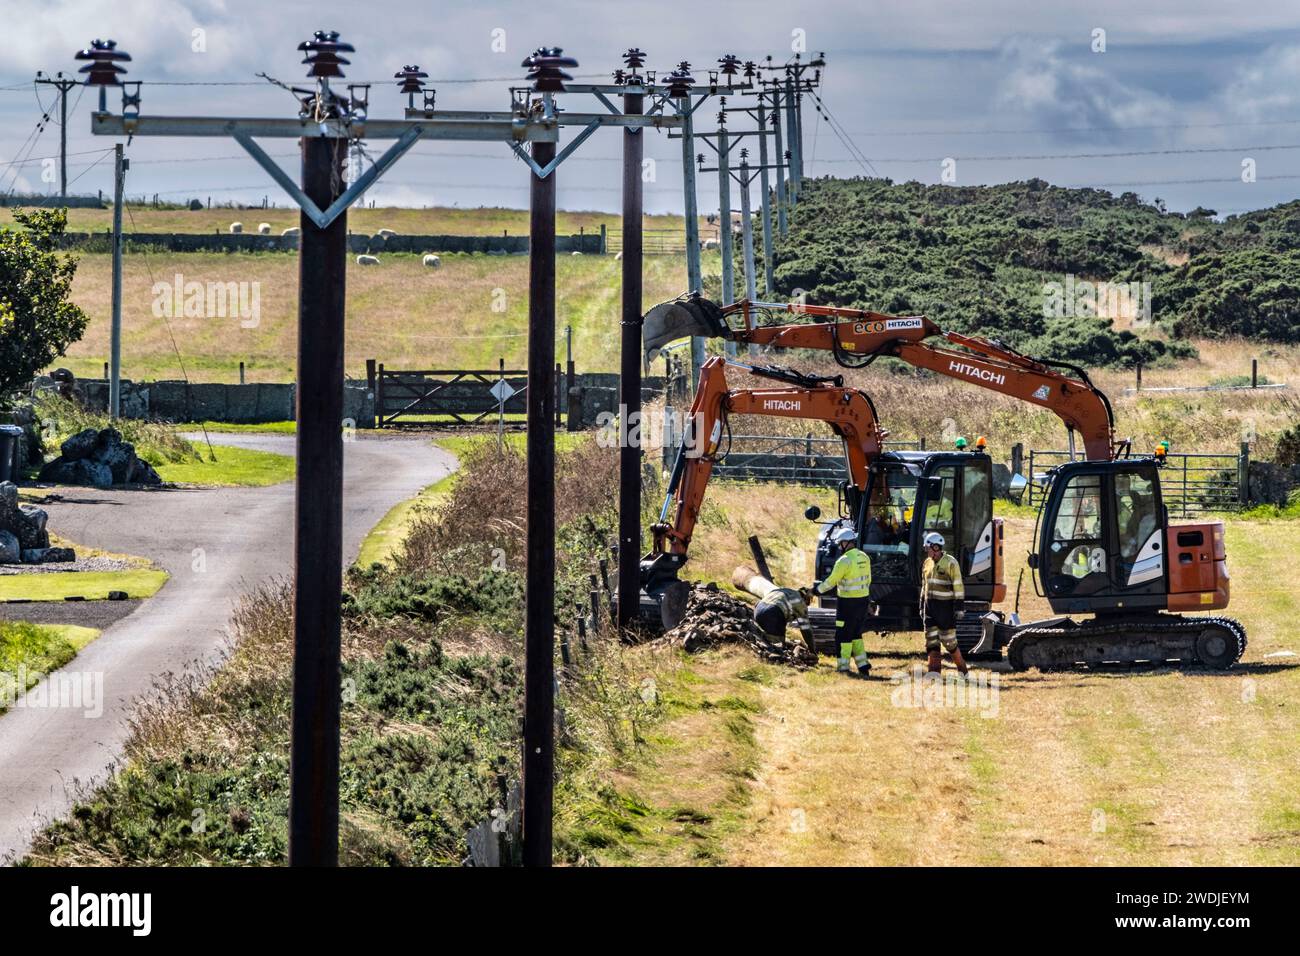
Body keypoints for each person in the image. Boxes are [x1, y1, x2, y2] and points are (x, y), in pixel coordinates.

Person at [814, 525, 873, 676]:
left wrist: (816, 590)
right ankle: (863, 665)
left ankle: (843, 667)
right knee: (856, 633)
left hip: (847, 604)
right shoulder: (864, 557)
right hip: (863, 601)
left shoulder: (844, 560)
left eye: (840, 544)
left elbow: (831, 582)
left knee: (843, 635)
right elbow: (868, 580)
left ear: (845, 543)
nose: (840, 547)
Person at [920, 531, 969, 675]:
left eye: (928, 548)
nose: (927, 551)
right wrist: (922, 606)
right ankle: (934, 673)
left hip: (945, 609)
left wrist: (959, 607)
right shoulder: (927, 563)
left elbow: (958, 586)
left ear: (936, 548)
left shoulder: (951, 563)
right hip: (930, 608)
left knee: (949, 642)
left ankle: (963, 671)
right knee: (931, 641)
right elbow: (924, 586)